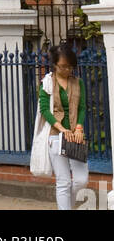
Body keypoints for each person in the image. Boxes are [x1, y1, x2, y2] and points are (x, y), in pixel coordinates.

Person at [36, 43, 89, 210]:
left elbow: (81, 107)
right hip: (56, 136)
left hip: (76, 136)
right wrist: (62, 129)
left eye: (70, 67)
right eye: (63, 67)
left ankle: (67, 205)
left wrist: (79, 127)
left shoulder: (78, 82)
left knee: (81, 180)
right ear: (54, 64)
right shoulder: (47, 83)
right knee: (63, 181)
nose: (67, 70)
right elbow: (45, 110)